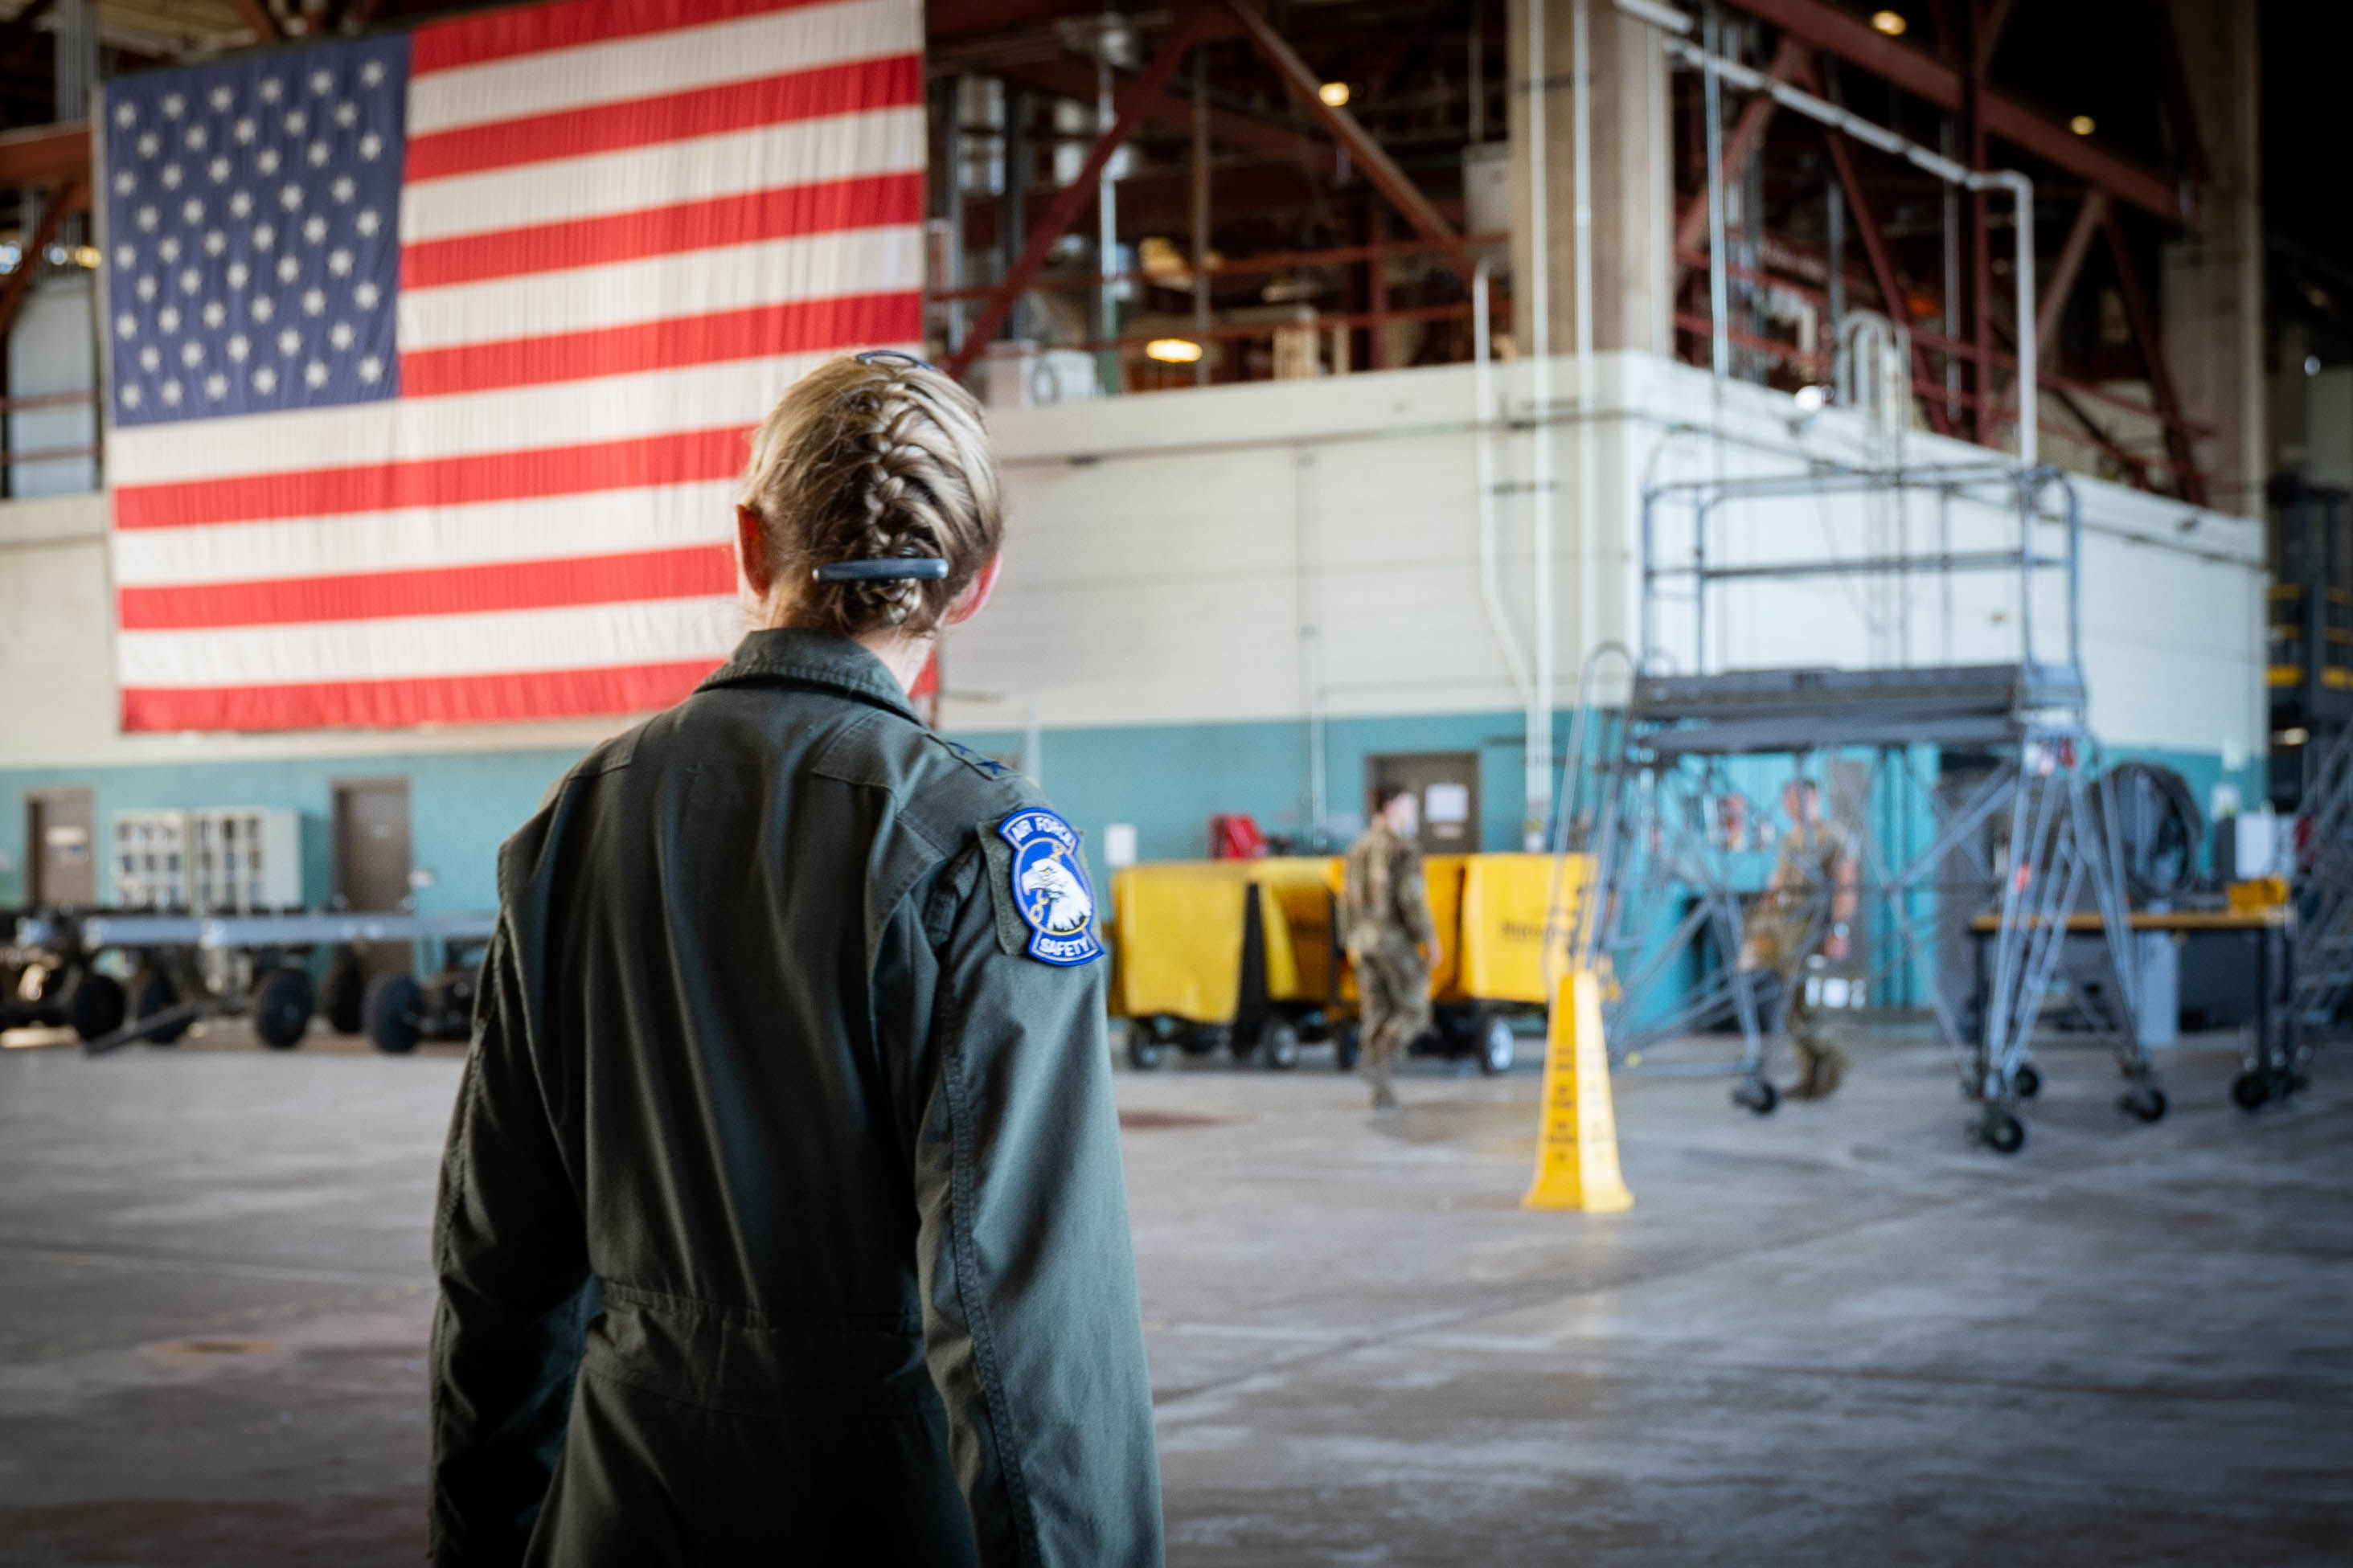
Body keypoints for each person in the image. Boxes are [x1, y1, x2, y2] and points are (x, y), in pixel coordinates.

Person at [428, 353, 1162, 1566]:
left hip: (615, 1511)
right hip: (874, 1509)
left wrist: (481, 1541)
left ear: (748, 543)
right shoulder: (974, 847)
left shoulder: (573, 822)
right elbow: (1024, 1318)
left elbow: (495, 1266)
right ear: (972, 584)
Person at [1736, 777, 1859, 1100]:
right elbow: (1777, 886)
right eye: (1789, 800)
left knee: (1809, 1004)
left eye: (1799, 799)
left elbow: (1846, 886)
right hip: (1786, 933)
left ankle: (1832, 1063)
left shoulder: (1833, 836)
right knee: (1792, 1007)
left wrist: (1840, 929)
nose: (1793, 806)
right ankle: (1811, 1074)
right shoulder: (1789, 839)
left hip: (1815, 931)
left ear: (1814, 799)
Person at [1340, 784, 1440, 1112]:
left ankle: (1380, 1091)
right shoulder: (1402, 848)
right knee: (1415, 1010)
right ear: (1392, 805)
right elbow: (1411, 899)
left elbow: (1343, 900)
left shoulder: (1357, 847)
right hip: (1392, 940)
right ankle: (1376, 1061)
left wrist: (1348, 942)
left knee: (1377, 1013)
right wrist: (1429, 939)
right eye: (1410, 805)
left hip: (1361, 943)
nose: (1413, 812)